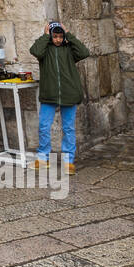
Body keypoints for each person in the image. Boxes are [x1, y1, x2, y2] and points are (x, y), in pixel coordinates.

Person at [29, 21, 91, 174]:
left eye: (60, 36)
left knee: (68, 128)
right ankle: (43, 159)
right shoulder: (45, 50)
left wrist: (69, 34)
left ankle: (68, 162)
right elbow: (35, 51)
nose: (57, 39)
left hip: (69, 93)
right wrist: (44, 36)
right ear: (50, 36)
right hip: (49, 95)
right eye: (54, 36)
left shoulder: (69, 49)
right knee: (44, 126)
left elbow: (84, 52)